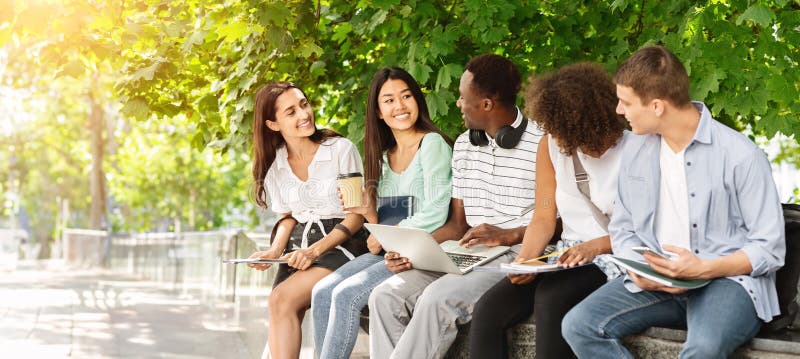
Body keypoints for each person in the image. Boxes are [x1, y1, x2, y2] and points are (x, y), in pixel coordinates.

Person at [562, 45, 786, 359]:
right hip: (657, 279)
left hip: (726, 281)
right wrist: (642, 269)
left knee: (702, 350)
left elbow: (769, 248)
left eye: (626, 102)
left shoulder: (741, 156)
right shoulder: (636, 152)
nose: (618, 111)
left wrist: (704, 268)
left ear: (656, 106)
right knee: (578, 325)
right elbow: (624, 229)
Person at [368, 54, 544, 359]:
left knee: (437, 299)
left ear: (486, 104)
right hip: (463, 250)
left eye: (464, 98)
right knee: (385, 295)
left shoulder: (543, 141)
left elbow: (558, 219)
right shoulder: (464, 144)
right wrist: (413, 252)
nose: (458, 104)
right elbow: (457, 225)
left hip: (516, 253)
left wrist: (509, 234)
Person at [469, 62, 628, 358]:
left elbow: (642, 230)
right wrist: (526, 260)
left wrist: (595, 247)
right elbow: (543, 217)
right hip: (564, 256)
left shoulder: (635, 151)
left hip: (610, 254)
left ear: (585, 124)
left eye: (562, 130)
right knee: (489, 309)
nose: (555, 137)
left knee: (552, 298)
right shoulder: (551, 144)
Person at [310, 67, 453, 359]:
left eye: (406, 96)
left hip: (419, 251)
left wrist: (386, 239)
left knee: (346, 295)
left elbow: (436, 212)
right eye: (389, 100)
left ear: (418, 100)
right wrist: (369, 215)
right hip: (387, 250)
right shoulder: (384, 157)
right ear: (378, 111)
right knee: (322, 291)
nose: (399, 106)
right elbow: (388, 220)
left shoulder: (432, 144)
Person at [245, 82, 369, 359]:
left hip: (342, 242)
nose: (304, 114)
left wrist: (315, 250)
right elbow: (287, 217)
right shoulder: (275, 165)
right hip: (298, 245)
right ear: (273, 124)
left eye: (304, 104)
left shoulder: (340, 150)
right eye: (291, 111)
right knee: (280, 305)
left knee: (281, 299)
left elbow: (357, 213)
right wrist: (274, 251)